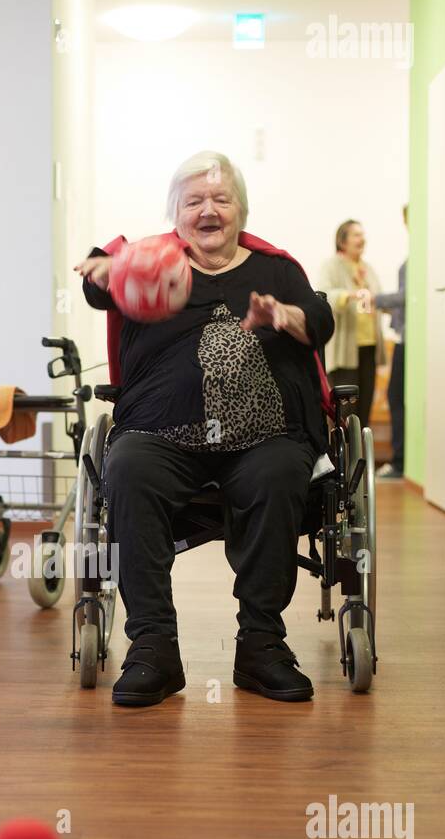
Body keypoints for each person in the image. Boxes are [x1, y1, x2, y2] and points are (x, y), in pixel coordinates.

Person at [75, 149, 334, 707]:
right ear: (177, 213)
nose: (209, 210)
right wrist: (107, 269)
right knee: (127, 467)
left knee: (282, 469)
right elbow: (99, 289)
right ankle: (153, 648)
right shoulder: (153, 265)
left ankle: (261, 646)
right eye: (195, 200)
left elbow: (321, 319)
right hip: (160, 433)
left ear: (241, 210)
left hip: (265, 436)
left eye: (221, 198)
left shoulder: (277, 270)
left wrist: (286, 317)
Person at [318, 220, 384, 427]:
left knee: (364, 410)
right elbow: (324, 295)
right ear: (342, 241)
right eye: (356, 235)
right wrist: (349, 295)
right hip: (344, 350)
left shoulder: (367, 268)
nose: (362, 239)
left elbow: (379, 297)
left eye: (362, 234)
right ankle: (344, 458)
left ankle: (362, 458)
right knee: (345, 413)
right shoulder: (331, 266)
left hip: (368, 346)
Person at [374, 205, 407, 479]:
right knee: (398, 398)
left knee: (396, 398)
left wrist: (375, 300)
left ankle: (399, 462)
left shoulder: (414, 262)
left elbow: (405, 296)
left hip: (407, 339)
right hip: (404, 336)